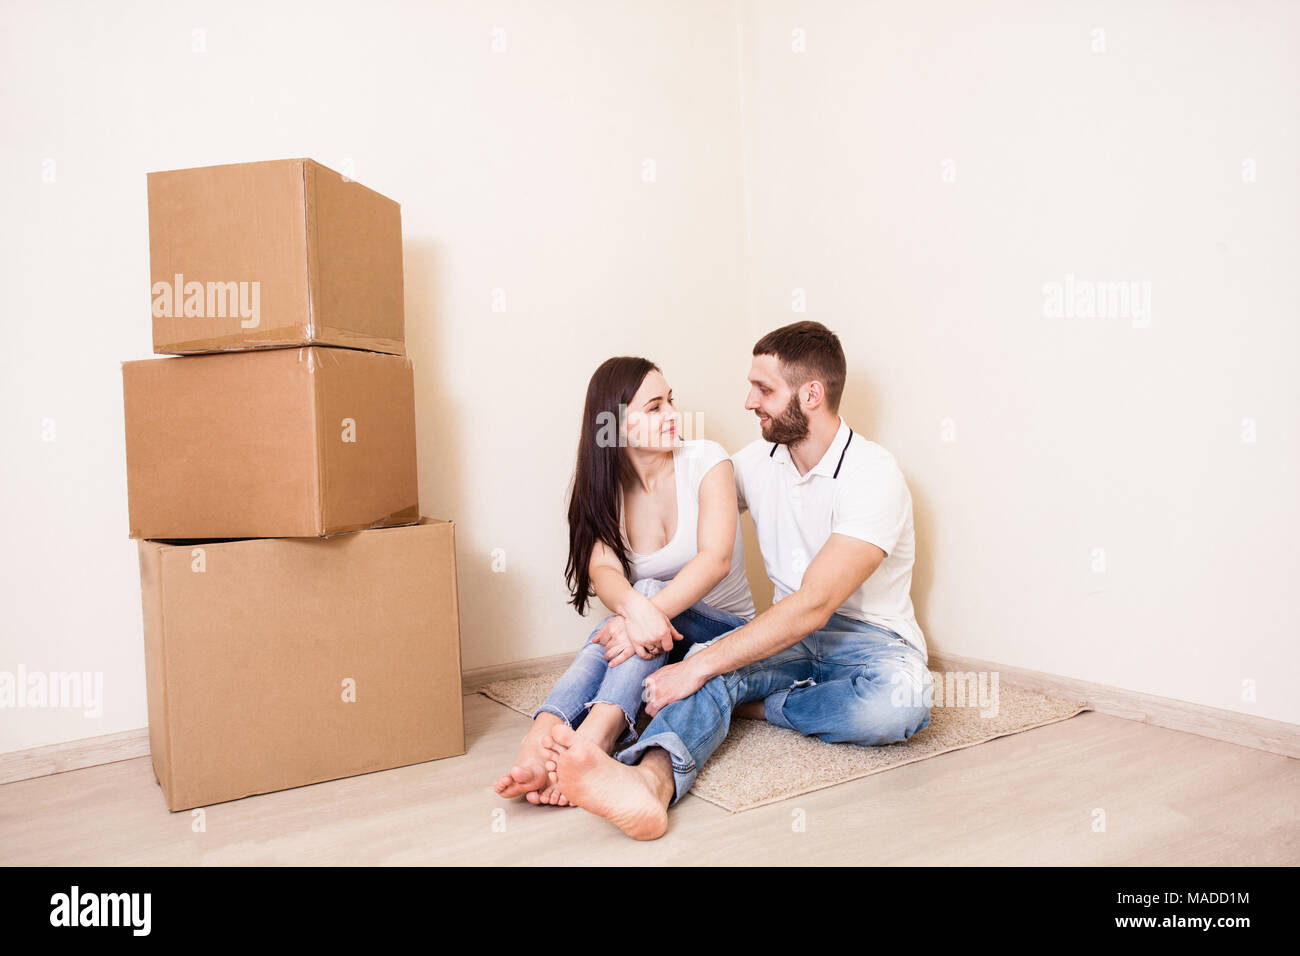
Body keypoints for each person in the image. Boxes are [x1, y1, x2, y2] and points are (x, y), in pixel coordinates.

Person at [539, 321, 934, 838]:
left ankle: (754, 705)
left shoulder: (873, 475)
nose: (749, 401)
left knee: (896, 707)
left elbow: (816, 604)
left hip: (873, 641)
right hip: (786, 637)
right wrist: (643, 605)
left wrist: (696, 663)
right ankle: (650, 783)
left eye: (764, 389)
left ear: (811, 394)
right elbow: (697, 518)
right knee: (709, 671)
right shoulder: (752, 464)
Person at [492, 356, 755, 806]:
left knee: (640, 600)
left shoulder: (708, 459)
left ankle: (595, 737)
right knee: (633, 605)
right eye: (655, 407)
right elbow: (604, 571)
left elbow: (715, 559)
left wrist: (640, 612)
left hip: (724, 632)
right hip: (658, 640)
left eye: (671, 401)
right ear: (614, 424)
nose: (674, 415)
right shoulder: (604, 489)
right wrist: (636, 613)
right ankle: (539, 739)